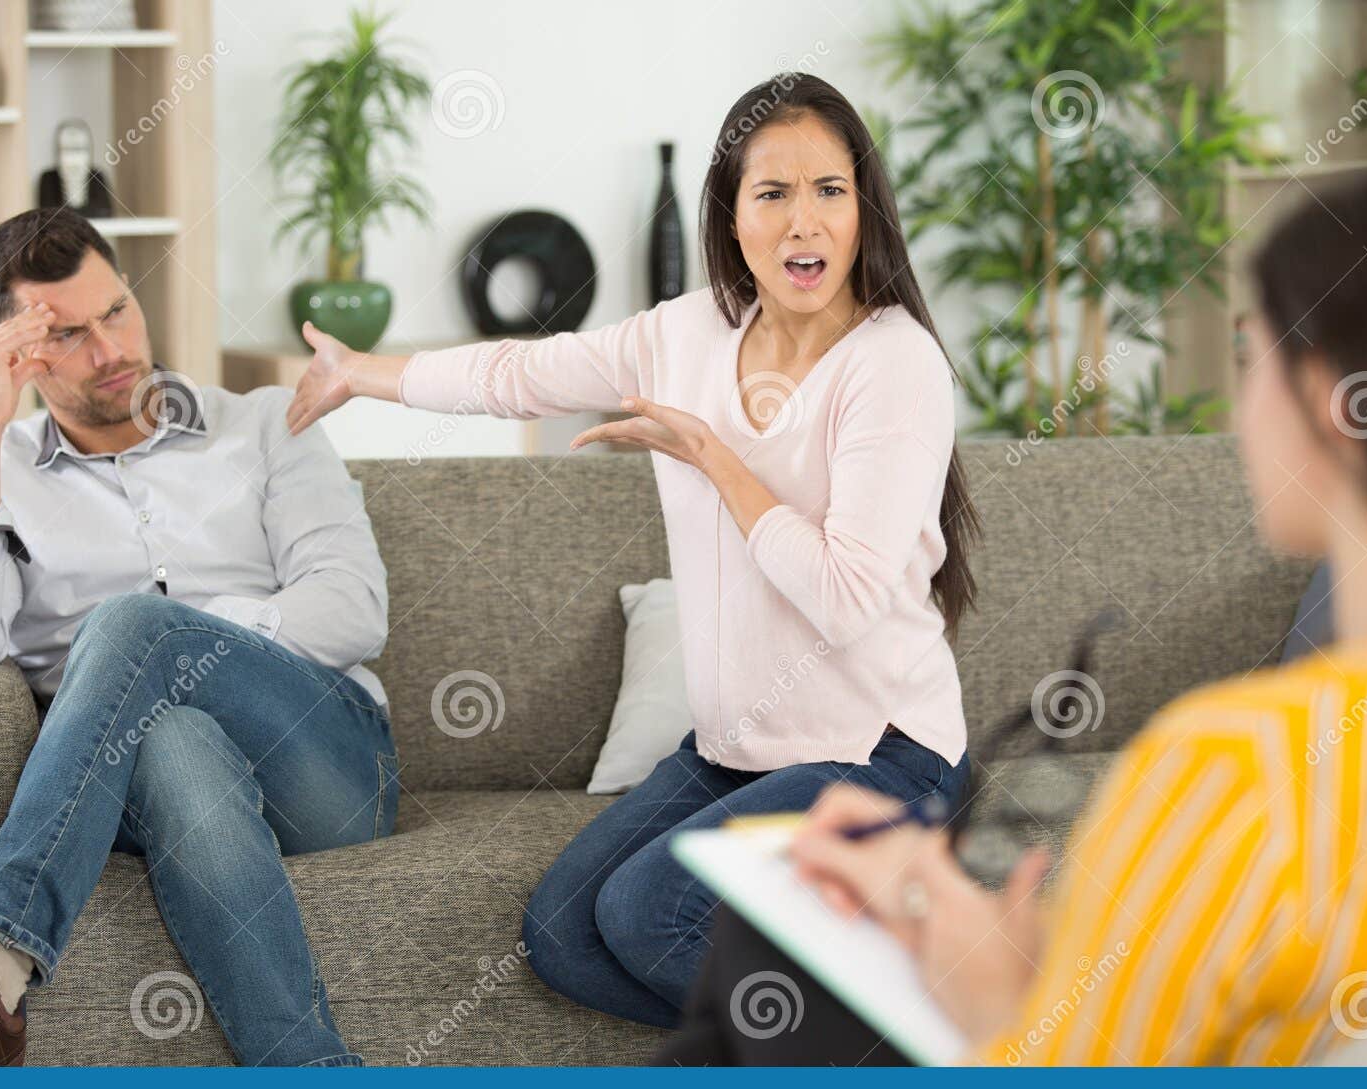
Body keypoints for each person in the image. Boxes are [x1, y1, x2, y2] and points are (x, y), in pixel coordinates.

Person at [664, 161, 1367, 1065]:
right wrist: (1016, 951)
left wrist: (993, 1001)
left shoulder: (1243, 765)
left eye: (1251, 352)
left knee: (759, 947)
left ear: (1336, 406)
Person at [285, 72, 978, 1025]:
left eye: (830, 190)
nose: (804, 222)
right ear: (730, 216)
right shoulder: (687, 333)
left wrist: (715, 456)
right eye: (772, 194)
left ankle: (888, 1060)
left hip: (884, 755)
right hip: (739, 750)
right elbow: (518, 371)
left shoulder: (892, 361)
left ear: (865, 208)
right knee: (563, 933)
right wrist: (361, 372)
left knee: (648, 913)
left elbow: (846, 595)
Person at [0, 209, 395, 1068]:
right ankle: (315, 1084)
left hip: (326, 762)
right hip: (137, 779)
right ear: (18, 354)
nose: (112, 348)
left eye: (117, 310)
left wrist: (181, 640)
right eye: (69, 335)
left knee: (133, 625)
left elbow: (354, 609)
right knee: (170, 735)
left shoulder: (270, 423)